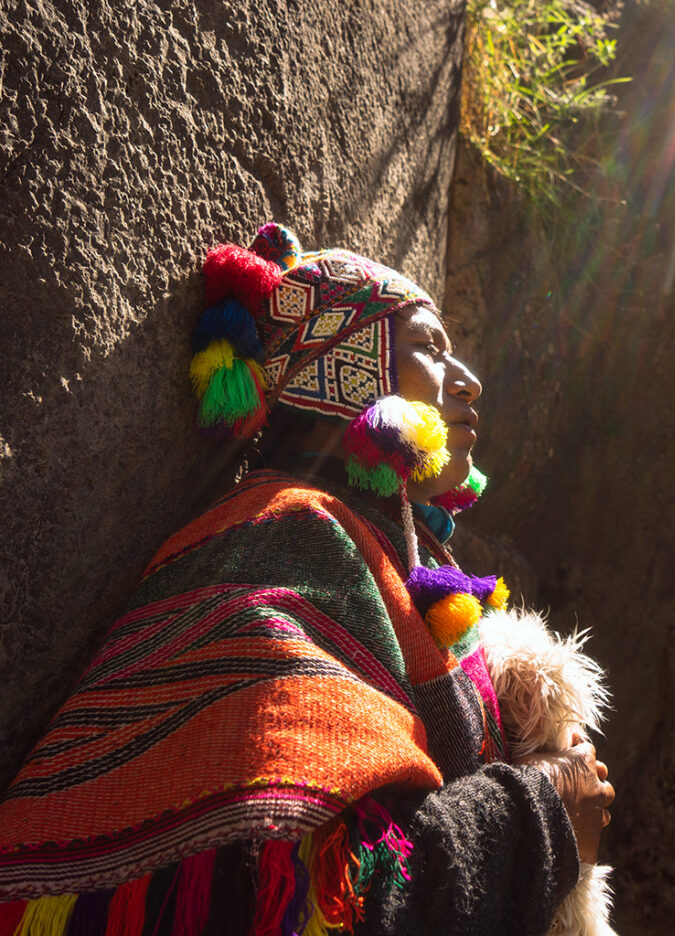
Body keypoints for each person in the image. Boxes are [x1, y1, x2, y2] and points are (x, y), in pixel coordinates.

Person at [0, 224, 614, 936]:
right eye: (427, 348)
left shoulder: (389, 571)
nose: (468, 379)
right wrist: (541, 812)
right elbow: (306, 899)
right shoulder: (289, 535)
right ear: (344, 367)